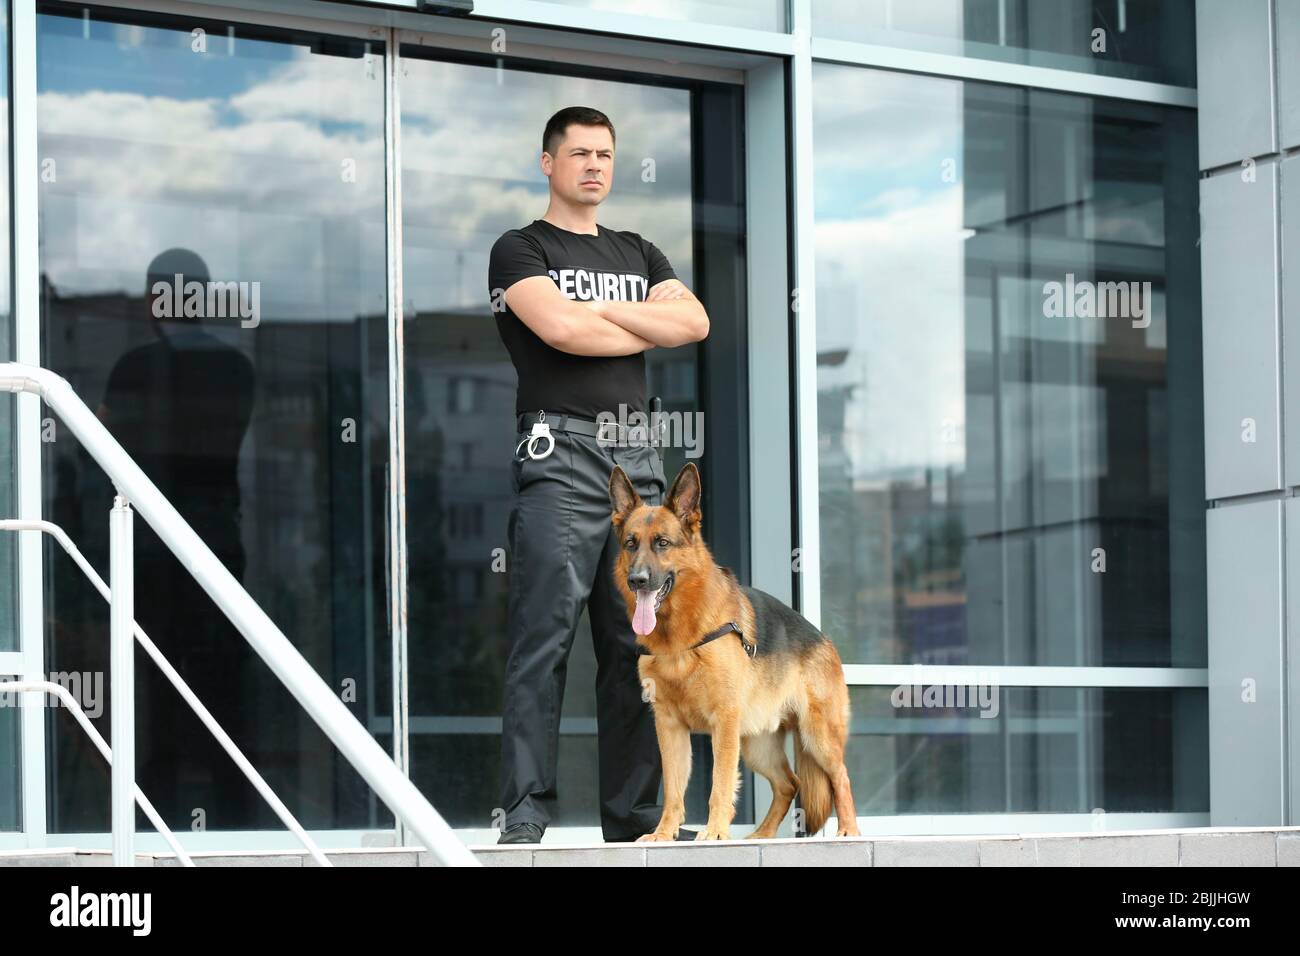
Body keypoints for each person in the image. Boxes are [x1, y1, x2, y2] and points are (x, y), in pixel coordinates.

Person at [488, 106, 709, 843]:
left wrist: (603, 309)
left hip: (639, 464)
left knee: (637, 645)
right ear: (547, 162)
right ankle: (524, 814)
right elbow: (559, 329)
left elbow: (695, 324)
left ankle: (638, 815)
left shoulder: (639, 250)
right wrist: (640, 315)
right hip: (560, 459)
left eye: (605, 154)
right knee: (543, 638)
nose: (594, 165)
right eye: (579, 152)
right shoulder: (519, 249)